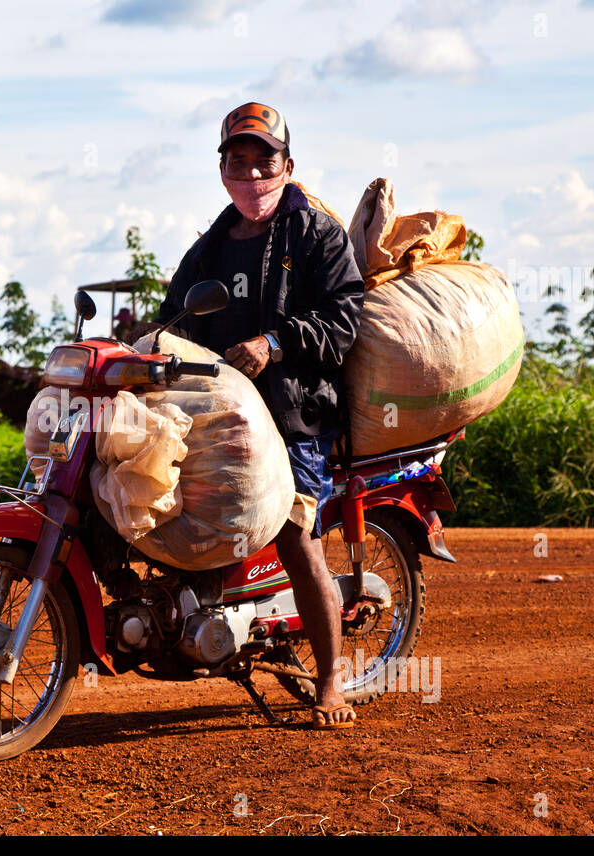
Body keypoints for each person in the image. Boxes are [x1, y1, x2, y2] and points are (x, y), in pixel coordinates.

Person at [153, 102, 365, 730]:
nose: (250, 173)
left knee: (297, 536)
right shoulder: (212, 247)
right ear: (221, 169)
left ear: (287, 163)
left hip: (294, 411)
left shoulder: (315, 235)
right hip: (219, 417)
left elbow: (346, 318)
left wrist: (275, 345)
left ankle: (330, 681)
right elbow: (174, 319)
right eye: (236, 160)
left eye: (262, 158)